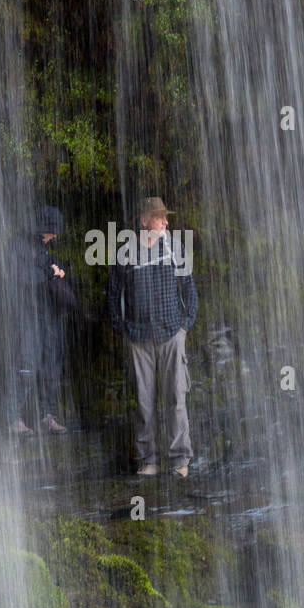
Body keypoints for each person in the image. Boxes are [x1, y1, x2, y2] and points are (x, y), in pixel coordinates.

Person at [106, 197, 198, 477]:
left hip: (171, 334)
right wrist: (123, 329)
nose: (165, 222)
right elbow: (112, 295)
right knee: (144, 403)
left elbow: (189, 288)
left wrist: (185, 326)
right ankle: (149, 462)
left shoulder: (175, 249)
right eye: (159, 218)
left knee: (176, 399)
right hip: (139, 339)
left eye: (165, 218)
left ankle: (180, 461)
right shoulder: (125, 253)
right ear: (144, 221)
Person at [7, 205, 71, 437]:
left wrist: (57, 271)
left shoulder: (45, 250)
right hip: (25, 314)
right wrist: (51, 273)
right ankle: (13, 417)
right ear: (42, 228)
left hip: (49, 316)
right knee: (25, 364)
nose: (55, 235)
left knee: (51, 364)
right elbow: (21, 278)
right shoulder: (17, 247)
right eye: (52, 231)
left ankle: (47, 415)